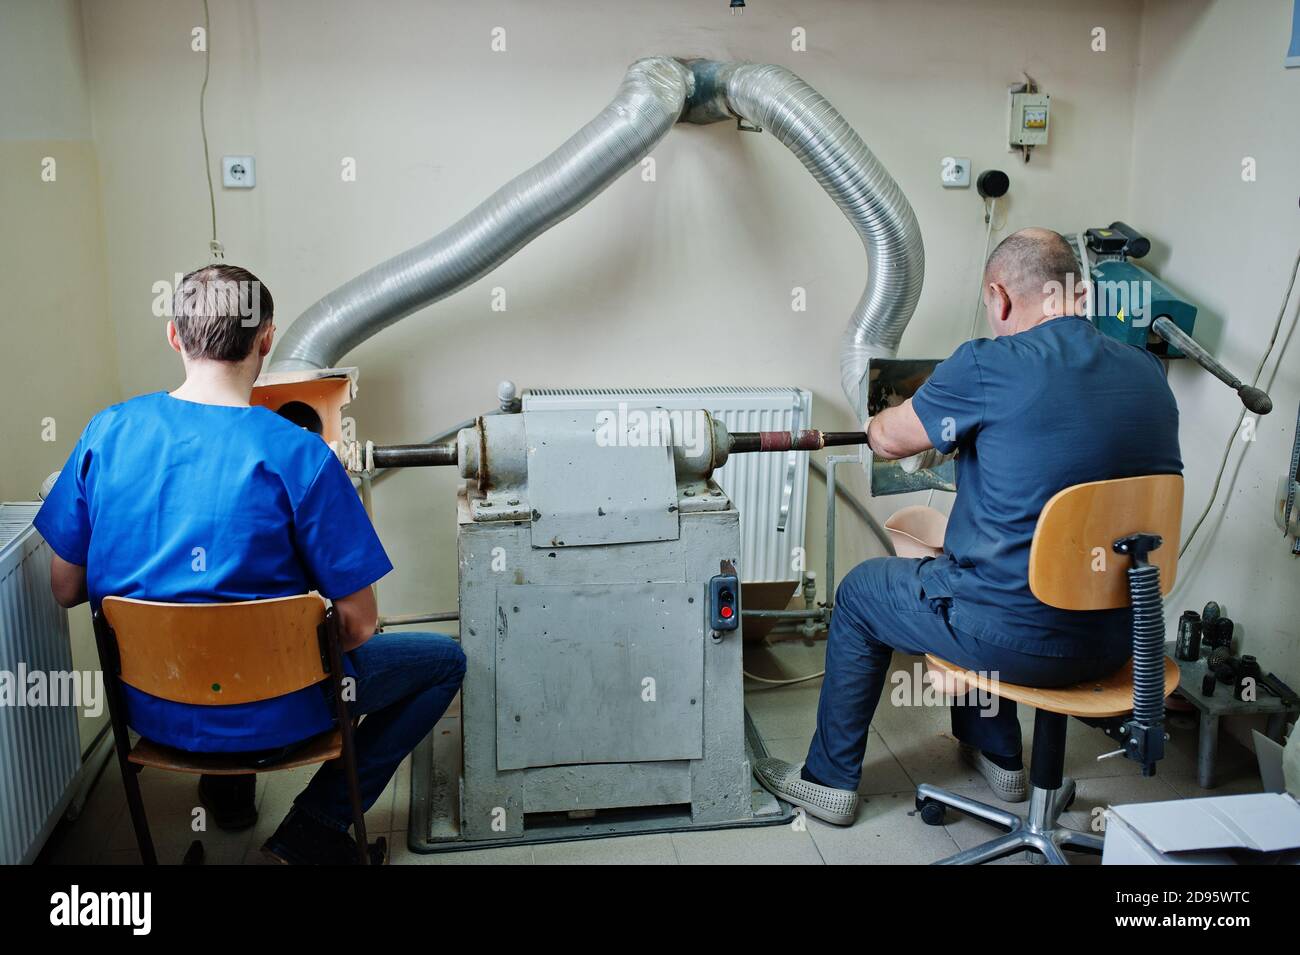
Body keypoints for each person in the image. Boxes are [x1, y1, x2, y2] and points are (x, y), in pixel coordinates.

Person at [36, 264, 466, 863]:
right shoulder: (300, 454)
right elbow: (361, 625)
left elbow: (64, 587)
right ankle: (312, 828)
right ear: (267, 339)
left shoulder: (106, 433)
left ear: (173, 335)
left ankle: (229, 791)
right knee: (445, 662)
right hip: (280, 710)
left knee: (212, 651)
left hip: (153, 710)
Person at [755, 228, 1182, 824]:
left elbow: (887, 437)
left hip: (1021, 642)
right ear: (1077, 294)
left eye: (991, 308)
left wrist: (907, 424)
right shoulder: (1145, 375)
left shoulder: (988, 363)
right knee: (989, 581)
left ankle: (826, 783)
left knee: (862, 592)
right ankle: (1000, 755)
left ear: (999, 296)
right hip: (1122, 644)